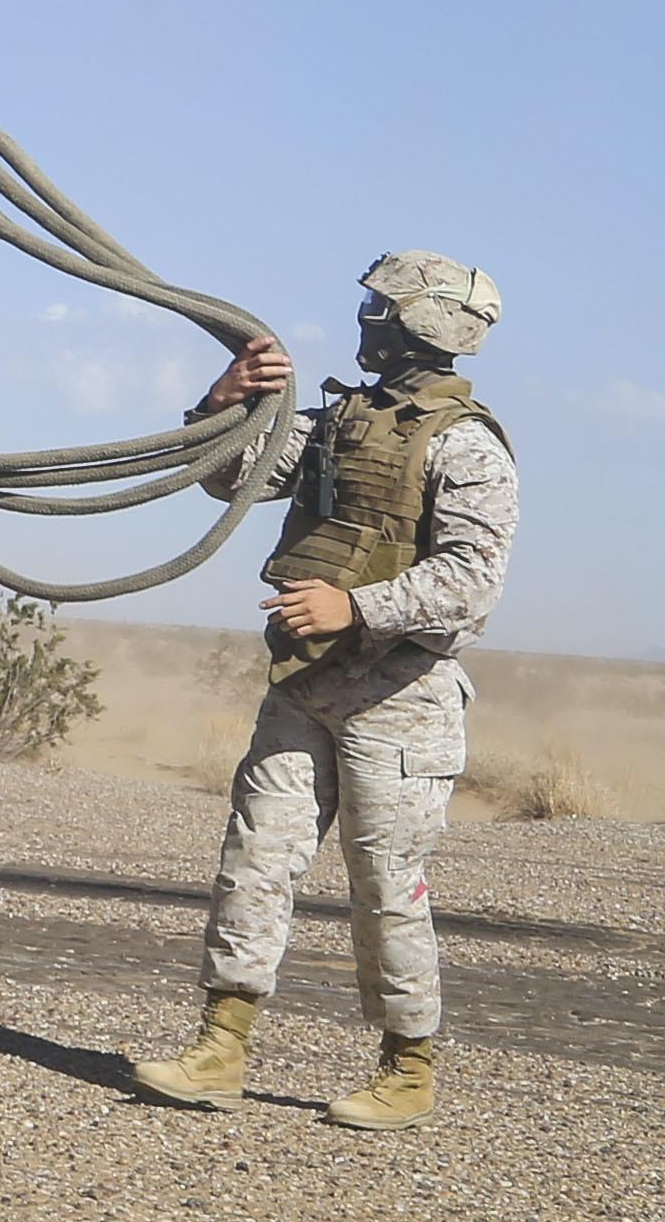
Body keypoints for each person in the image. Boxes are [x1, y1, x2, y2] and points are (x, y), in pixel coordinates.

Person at [124, 252, 518, 1132]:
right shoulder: (339, 421)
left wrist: (355, 605)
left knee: (386, 885)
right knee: (255, 862)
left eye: (385, 305)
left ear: (429, 322)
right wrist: (222, 403)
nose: (369, 317)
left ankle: (406, 1068)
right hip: (306, 685)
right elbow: (234, 479)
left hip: (402, 693)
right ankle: (220, 1045)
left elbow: (473, 582)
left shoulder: (467, 443)